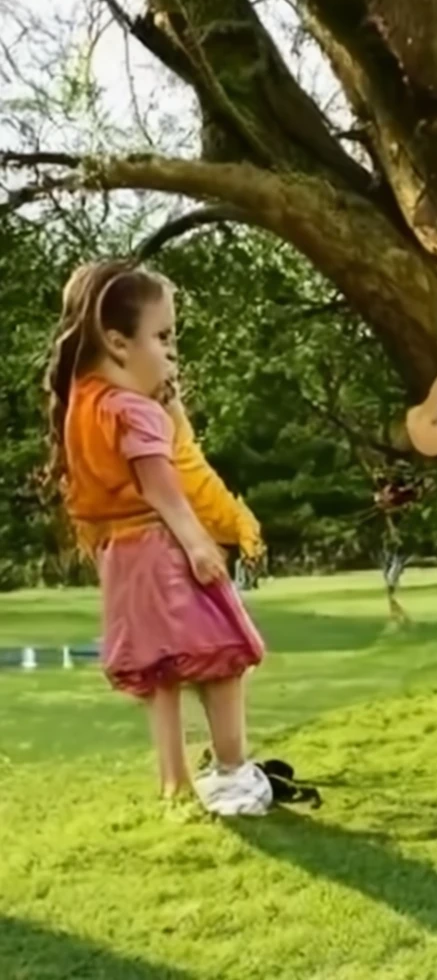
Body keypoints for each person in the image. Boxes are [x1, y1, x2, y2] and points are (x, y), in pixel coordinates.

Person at [45, 259, 272, 816]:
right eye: (164, 337)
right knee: (223, 660)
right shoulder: (132, 411)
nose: (171, 352)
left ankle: (174, 784)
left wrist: (170, 403)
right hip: (162, 548)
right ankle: (232, 775)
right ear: (118, 343)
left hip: (122, 558)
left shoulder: (82, 407)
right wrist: (198, 544)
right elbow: (163, 487)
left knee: (160, 674)